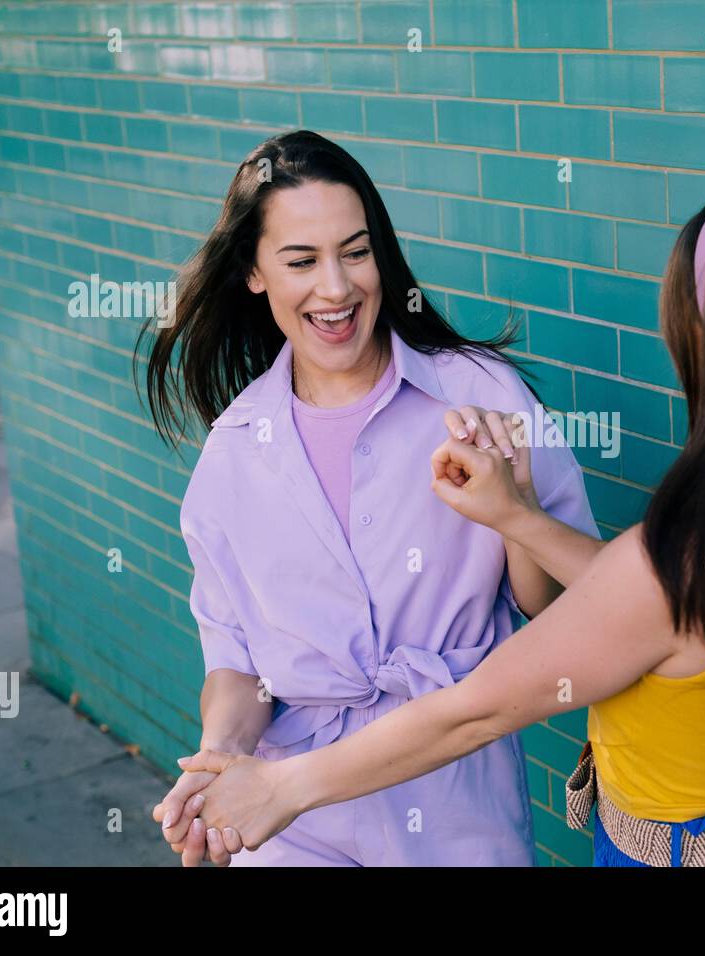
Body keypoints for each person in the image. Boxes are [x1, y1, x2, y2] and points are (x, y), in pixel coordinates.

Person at [178, 186, 705, 867]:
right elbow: (647, 612)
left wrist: (284, 788)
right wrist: (518, 518)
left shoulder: (668, 564)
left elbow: (478, 709)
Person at [136, 130, 598, 866]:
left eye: (356, 252)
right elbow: (237, 660)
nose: (337, 287)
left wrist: (515, 510)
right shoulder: (233, 451)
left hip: (455, 793)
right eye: (301, 261)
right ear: (254, 273)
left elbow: (562, 606)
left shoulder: (476, 392)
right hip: (291, 814)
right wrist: (220, 758)